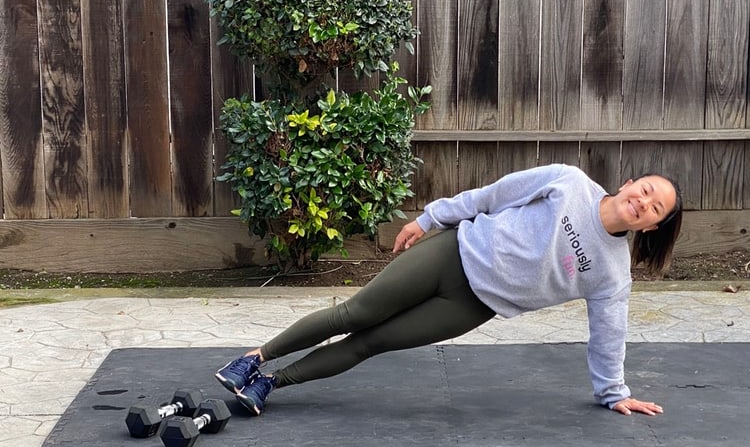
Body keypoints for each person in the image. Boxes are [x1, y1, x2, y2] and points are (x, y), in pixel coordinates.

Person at [215, 163, 683, 417]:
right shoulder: (569, 182)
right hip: (452, 254)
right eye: (643, 190)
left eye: (653, 207)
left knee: (371, 344)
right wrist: (430, 217)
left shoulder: (612, 272)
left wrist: (612, 391)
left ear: (654, 225)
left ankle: (270, 385)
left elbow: (608, 333)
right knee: (355, 314)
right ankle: (252, 360)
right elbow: (492, 195)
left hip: (472, 305)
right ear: (628, 182)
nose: (641, 202)